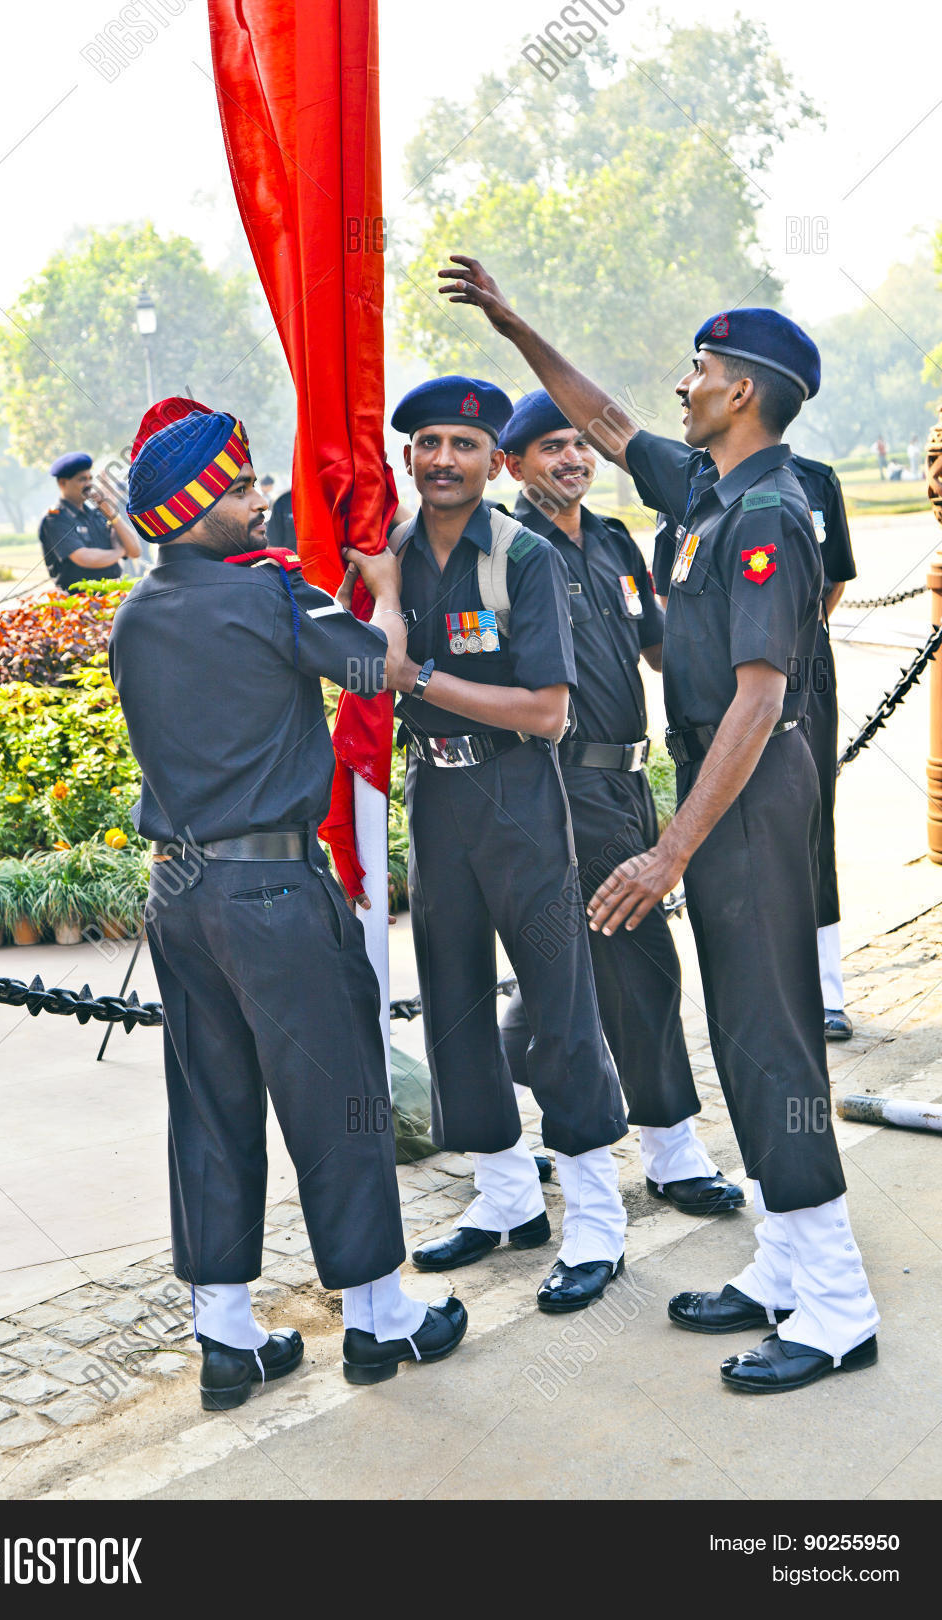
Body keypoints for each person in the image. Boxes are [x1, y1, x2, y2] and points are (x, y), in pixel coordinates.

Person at [439, 256, 879, 1392]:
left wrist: (667, 847)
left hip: (746, 800)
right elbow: (605, 417)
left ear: (741, 392)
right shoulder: (711, 490)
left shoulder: (768, 514)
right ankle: (784, 1263)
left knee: (772, 1039)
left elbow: (761, 695)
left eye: (699, 369)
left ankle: (834, 1305)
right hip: (723, 795)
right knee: (741, 1029)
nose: (680, 386)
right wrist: (512, 323)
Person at [109, 405, 467, 1406]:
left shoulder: (137, 615)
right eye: (241, 489)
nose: (261, 499)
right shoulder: (266, 598)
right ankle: (380, 1319)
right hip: (270, 888)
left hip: (179, 897)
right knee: (342, 1097)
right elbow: (379, 670)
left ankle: (226, 1338)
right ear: (195, 510)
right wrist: (385, 593)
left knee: (210, 1108)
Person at [388, 374, 630, 1315]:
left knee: (561, 1002)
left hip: (519, 794)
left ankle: (599, 1221)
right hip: (435, 797)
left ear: (496, 462)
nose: (443, 459)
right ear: (409, 458)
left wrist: (422, 676)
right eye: (428, 444)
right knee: (450, 1001)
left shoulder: (521, 558)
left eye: (462, 444)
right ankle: (506, 1197)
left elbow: (546, 710)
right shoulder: (395, 558)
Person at [493, 388, 744, 1215]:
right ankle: (671, 1149)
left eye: (578, 445)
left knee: (562, 970)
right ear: (512, 464)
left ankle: (521, 1112)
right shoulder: (503, 552)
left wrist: (752, 658)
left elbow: (661, 647)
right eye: (549, 448)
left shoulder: (610, 541)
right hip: (560, 785)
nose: (572, 459)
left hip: (631, 782)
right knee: (638, 965)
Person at [654, 454, 858, 1040]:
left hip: (802, 683)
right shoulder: (691, 487)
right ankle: (756, 995)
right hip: (724, 686)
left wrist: (781, 635)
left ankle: (824, 988)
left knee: (814, 824)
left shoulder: (814, 481)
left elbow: (834, 577)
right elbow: (671, 589)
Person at [40, 452, 142, 591]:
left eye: (90, 478)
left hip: (111, 598)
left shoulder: (98, 514)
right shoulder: (55, 518)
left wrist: (112, 514)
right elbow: (85, 558)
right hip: (79, 603)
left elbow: (135, 551)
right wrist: (119, 552)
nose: (89, 484)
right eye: (82, 479)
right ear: (63, 483)